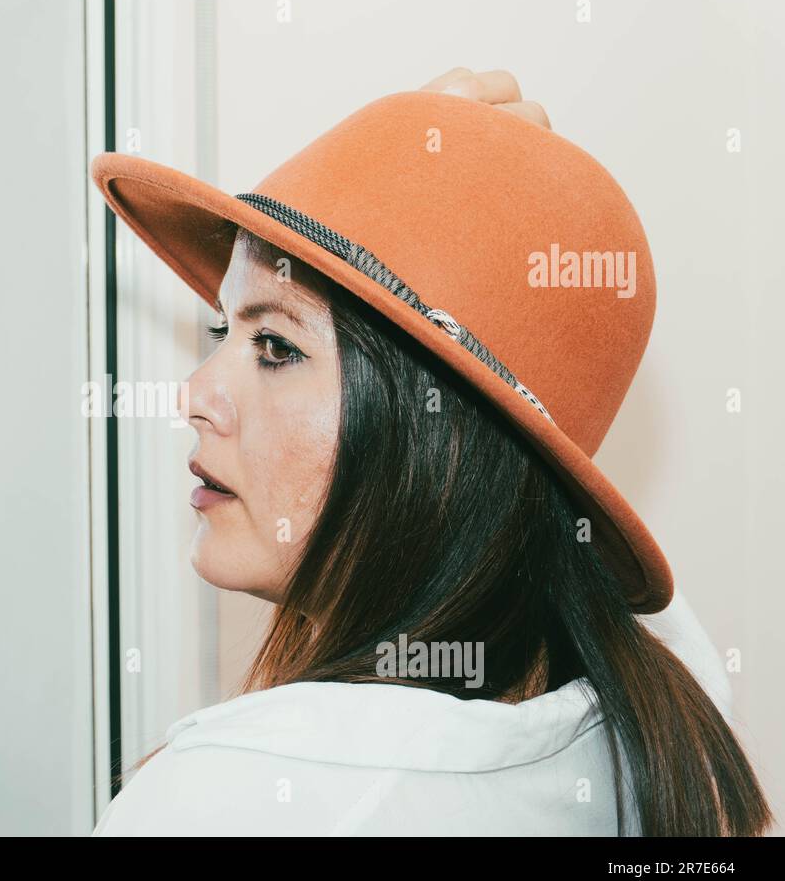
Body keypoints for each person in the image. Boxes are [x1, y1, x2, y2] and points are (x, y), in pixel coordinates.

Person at [88, 70, 774, 836]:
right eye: (225, 333)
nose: (195, 394)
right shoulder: (665, 740)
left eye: (275, 346)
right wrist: (422, 175)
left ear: (442, 443)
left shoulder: (231, 800)